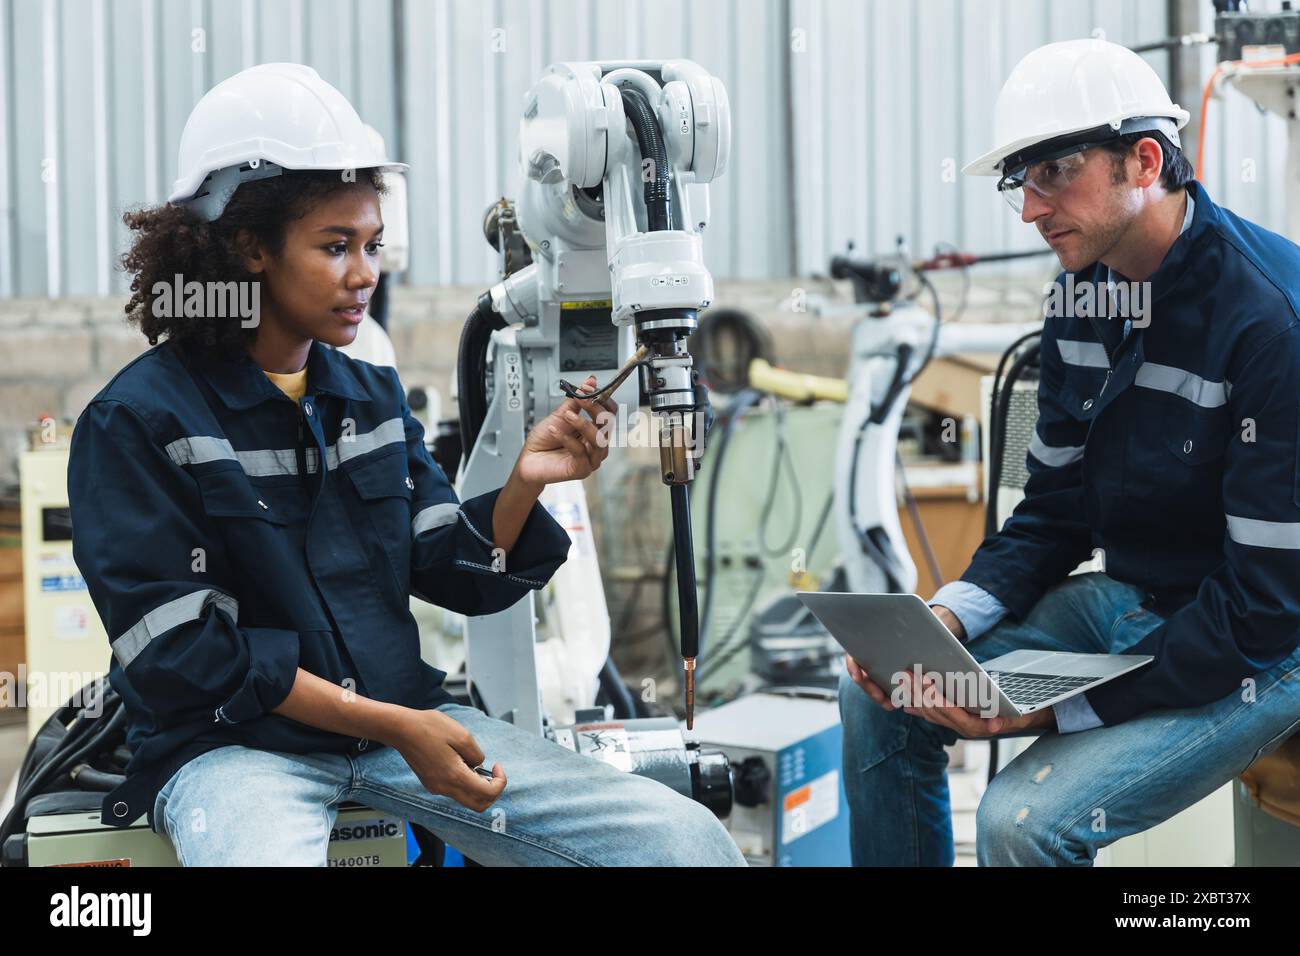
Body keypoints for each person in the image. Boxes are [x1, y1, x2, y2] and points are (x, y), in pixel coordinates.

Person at [68, 63, 745, 867]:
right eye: (335, 247)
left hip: (401, 723)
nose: (366, 274)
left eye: (372, 245)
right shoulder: (139, 423)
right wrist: (395, 726)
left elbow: (445, 565)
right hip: (238, 753)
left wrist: (525, 479)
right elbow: (190, 659)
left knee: (684, 842)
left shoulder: (368, 394)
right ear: (249, 249)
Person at [838, 38, 1300, 866]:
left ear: (1144, 160)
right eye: (1024, 179)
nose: (1030, 209)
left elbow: (1264, 607)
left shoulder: (1269, 322)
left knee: (1021, 822)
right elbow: (1053, 512)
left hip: (1266, 642)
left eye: (1056, 171)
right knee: (881, 691)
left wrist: (1046, 709)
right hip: (1131, 599)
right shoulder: (1081, 296)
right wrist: (945, 621)